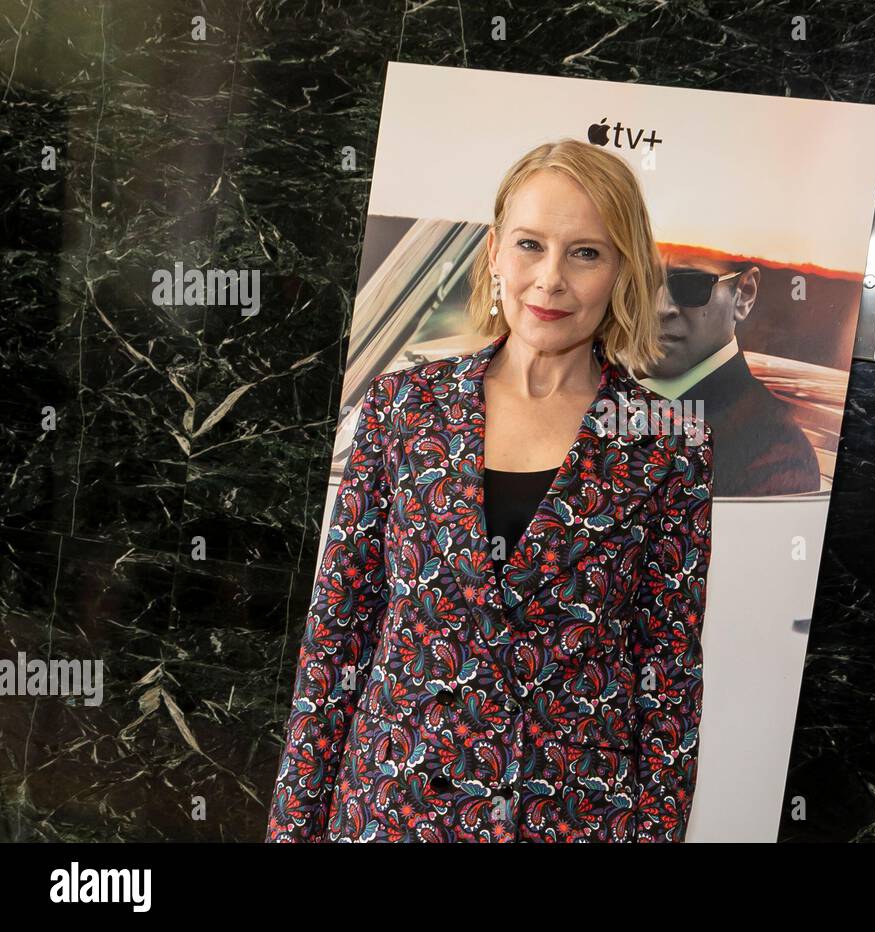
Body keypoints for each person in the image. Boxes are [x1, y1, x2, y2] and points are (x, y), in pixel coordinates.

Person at [265, 138, 713, 843]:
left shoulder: (666, 441)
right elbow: (336, 641)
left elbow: (669, 672)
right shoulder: (404, 408)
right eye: (531, 244)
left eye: (587, 253)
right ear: (495, 253)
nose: (551, 280)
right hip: (393, 813)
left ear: (624, 269)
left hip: (573, 820)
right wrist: (294, 830)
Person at [635, 254, 821, 496]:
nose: (658, 307)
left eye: (691, 284)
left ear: (744, 295)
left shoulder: (778, 457)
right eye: (637, 282)